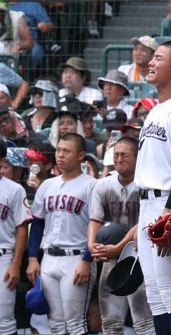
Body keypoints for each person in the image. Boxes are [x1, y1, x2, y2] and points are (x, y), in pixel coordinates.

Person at [131, 40, 171, 333]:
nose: (151, 63)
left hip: (166, 204)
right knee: (156, 295)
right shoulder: (157, 109)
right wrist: (139, 222)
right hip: (147, 206)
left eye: (158, 58)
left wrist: (170, 211)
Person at [27, 133, 95, 335]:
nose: (60, 155)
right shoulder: (47, 185)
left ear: (81, 155)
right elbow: (37, 224)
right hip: (48, 259)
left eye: (67, 151)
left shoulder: (92, 185)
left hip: (76, 258)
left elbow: (97, 226)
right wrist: (32, 258)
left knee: (75, 324)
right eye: (58, 150)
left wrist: (87, 260)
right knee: (55, 323)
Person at [87, 135, 153, 335]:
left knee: (144, 323)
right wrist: (91, 245)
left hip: (138, 257)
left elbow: (142, 220)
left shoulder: (147, 184)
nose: (119, 159)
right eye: (116, 155)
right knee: (110, 323)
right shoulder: (103, 185)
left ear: (137, 157)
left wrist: (118, 247)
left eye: (124, 155)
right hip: (111, 257)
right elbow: (94, 219)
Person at [0, 129, 28, 335]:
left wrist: (16, 265)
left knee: (4, 320)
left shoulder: (14, 189)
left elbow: (21, 228)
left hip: (4, 257)